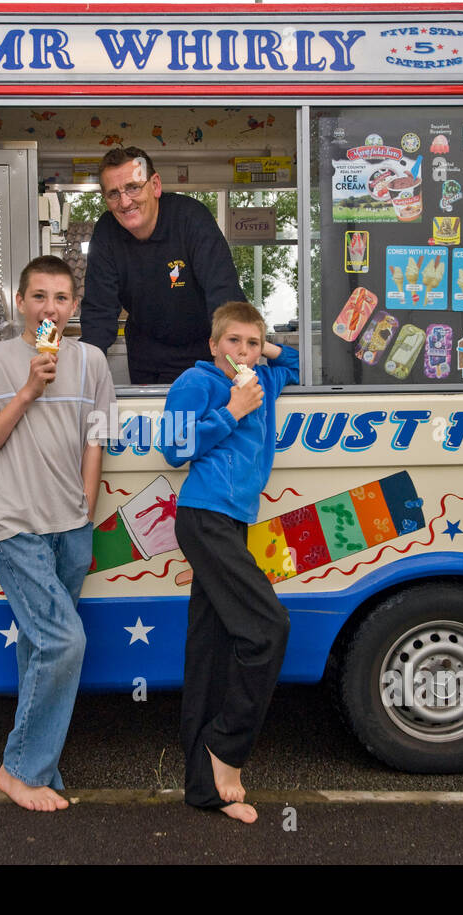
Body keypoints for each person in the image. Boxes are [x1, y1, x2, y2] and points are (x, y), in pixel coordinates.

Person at [0, 255, 115, 812]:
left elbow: (96, 437)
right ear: (20, 303)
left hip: (70, 528)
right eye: (39, 296)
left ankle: (38, 765)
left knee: (38, 648)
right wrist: (27, 390)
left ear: (74, 306)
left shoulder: (92, 361)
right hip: (17, 527)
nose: (50, 307)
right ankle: (20, 769)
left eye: (61, 298)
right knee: (64, 641)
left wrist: (86, 504)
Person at [158, 301, 298, 823]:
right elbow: (172, 447)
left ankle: (204, 790)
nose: (242, 351)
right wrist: (233, 409)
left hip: (233, 522)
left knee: (211, 651)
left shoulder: (263, 377)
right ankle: (226, 748)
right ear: (213, 346)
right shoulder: (199, 384)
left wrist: (267, 354)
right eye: (232, 342)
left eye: (252, 343)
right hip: (204, 517)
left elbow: (299, 366)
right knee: (268, 627)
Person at [79, 146, 246, 385]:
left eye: (133, 187)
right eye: (113, 194)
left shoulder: (191, 218)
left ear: (155, 185)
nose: (125, 202)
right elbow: (99, 313)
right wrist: (83, 374)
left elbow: (223, 293)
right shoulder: (106, 232)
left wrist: (236, 354)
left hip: (204, 351)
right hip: (147, 356)